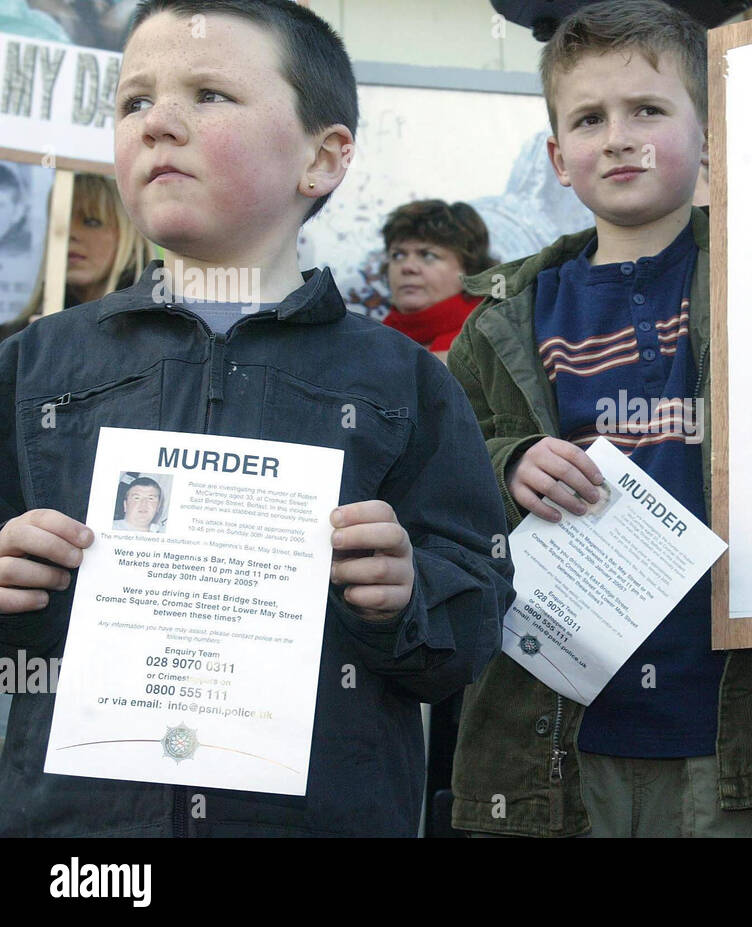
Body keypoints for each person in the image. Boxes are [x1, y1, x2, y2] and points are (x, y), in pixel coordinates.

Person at [0, 0, 514, 837]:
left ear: (323, 156)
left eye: (209, 94)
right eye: (134, 102)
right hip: (82, 841)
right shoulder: (33, 365)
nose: (160, 122)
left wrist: (410, 593)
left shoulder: (405, 381)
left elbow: (480, 610)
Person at [447, 0, 752, 839]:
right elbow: (441, 469)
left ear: (708, 135)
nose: (618, 136)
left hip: (740, 731)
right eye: (589, 118)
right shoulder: (503, 318)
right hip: (559, 731)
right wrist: (508, 462)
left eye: (649, 109)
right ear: (557, 158)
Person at [1, 173, 151, 342]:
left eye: (91, 221)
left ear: (131, 236)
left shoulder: (159, 335)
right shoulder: (15, 341)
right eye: (61, 222)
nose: (69, 233)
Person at [380, 199, 495, 362]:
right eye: (398, 255)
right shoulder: (369, 342)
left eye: (427, 255)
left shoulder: (493, 344)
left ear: (469, 269)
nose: (407, 267)